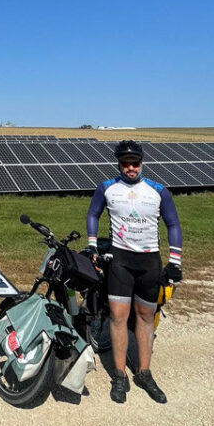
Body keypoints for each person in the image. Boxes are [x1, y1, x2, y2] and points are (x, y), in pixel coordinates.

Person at [85, 140, 183, 404]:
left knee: (145, 316)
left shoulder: (158, 191)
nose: (130, 168)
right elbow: (93, 214)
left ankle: (144, 373)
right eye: (125, 163)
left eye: (135, 163)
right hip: (120, 262)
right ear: (119, 164)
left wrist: (175, 261)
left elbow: (173, 223)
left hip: (149, 262)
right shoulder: (107, 188)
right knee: (118, 317)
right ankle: (119, 375)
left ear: (142, 163)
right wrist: (92, 244)